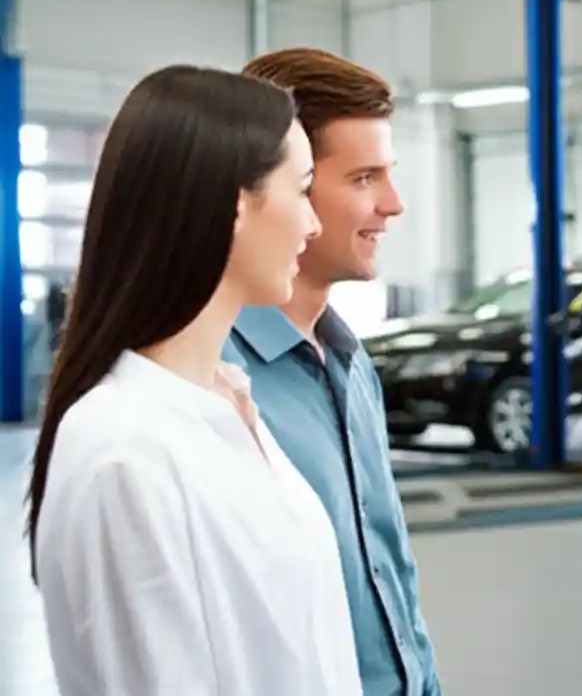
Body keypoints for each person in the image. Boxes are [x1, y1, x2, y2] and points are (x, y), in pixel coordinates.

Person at [26, 65, 360, 695]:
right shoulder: (125, 452)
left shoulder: (228, 401)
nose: (314, 226)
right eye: (302, 190)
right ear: (236, 205)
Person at [220, 47, 442, 696]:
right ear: (283, 184)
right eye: (364, 178)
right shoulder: (213, 381)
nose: (394, 204)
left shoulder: (349, 362)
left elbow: (389, 571)